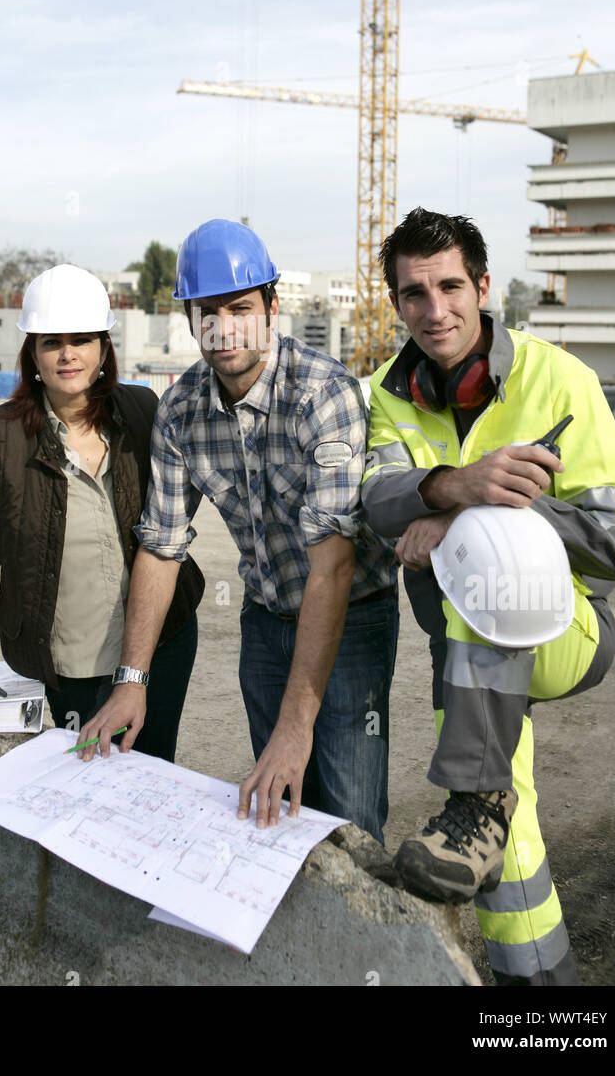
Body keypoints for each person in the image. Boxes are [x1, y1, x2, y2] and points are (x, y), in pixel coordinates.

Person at [361, 206, 615, 986]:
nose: (435, 309)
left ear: (483, 288)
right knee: (497, 845)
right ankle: (540, 993)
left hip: (567, 628)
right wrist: (451, 487)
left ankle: (475, 803)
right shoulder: (387, 393)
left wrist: (484, 510)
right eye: (414, 294)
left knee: (490, 544)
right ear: (397, 304)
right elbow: (377, 500)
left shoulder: (561, 378)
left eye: (451, 286)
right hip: (468, 652)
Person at [77, 219, 399, 841]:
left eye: (240, 308)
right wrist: (131, 682)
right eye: (207, 312)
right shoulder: (181, 411)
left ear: (272, 308)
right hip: (266, 622)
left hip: (352, 617)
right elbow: (161, 547)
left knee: (350, 821)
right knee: (281, 811)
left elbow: (333, 564)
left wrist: (295, 727)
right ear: (189, 320)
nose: (223, 328)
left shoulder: (322, 394)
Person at [0, 264, 204, 761]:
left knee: (151, 770)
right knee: (84, 776)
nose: (67, 354)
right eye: (51, 342)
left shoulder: (143, 411)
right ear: (32, 354)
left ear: (104, 348)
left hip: (161, 642)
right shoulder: (0, 436)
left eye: (81, 339)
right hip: (69, 659)